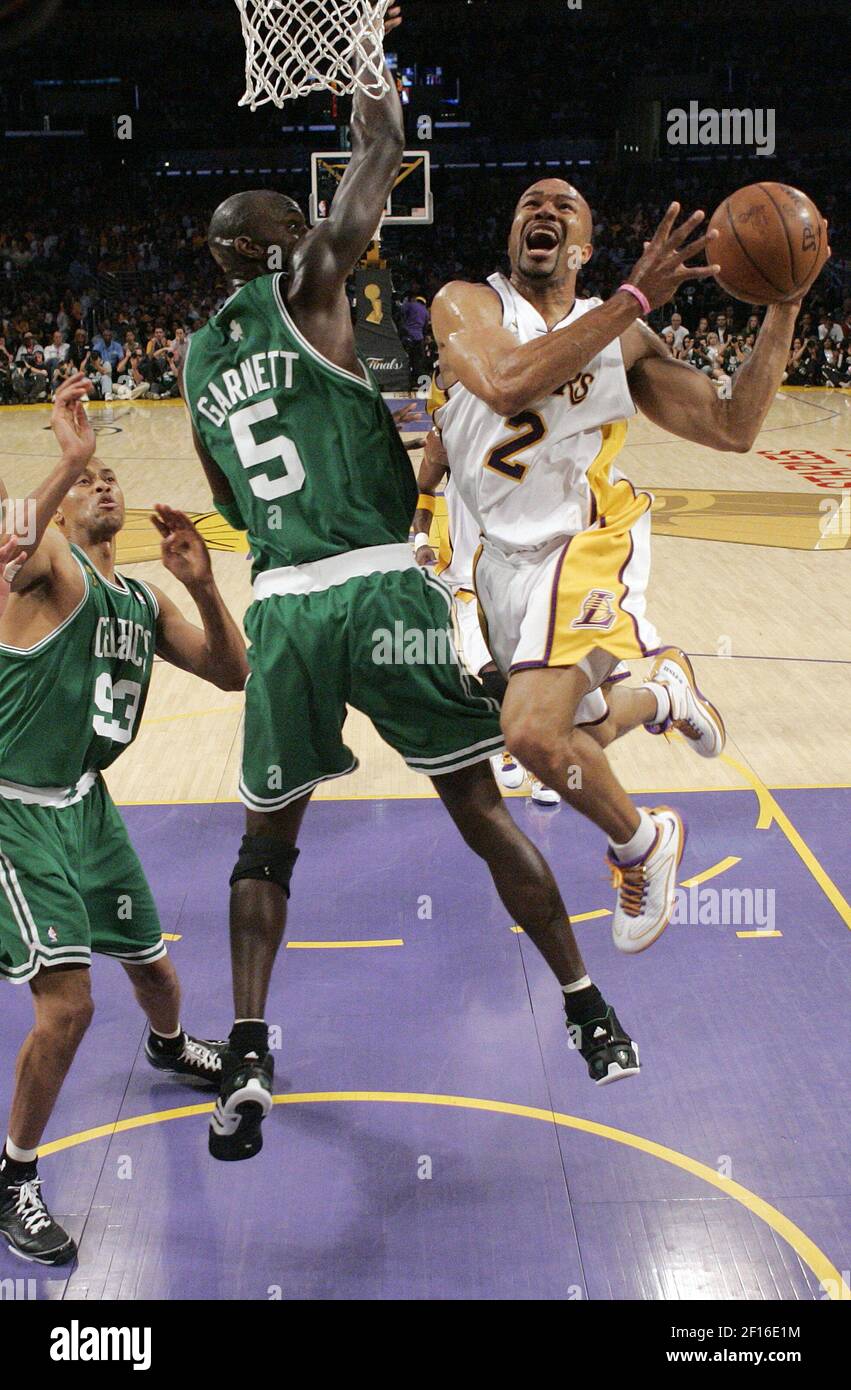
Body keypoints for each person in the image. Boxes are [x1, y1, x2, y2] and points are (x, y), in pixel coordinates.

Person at [183, 6, 646, 1166]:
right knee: (479, 808)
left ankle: (245, 1047)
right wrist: (361, 54)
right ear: (287, 237)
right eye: (306, 217)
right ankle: (585, 1003)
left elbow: (230, 502)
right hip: (380, 596)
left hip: (285, 602)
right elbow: (380, 145)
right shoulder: (316, 275)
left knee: (263, 846)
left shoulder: (194, 358)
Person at [431, 178, 829, 956]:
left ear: (583, 246)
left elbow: (732, 426)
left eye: (562, 206)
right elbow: (506, 381)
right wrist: (630, 302)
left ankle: (641, 842)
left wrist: (784, 304)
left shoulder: (622, 336)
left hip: (586, 545)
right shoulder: (465, 304)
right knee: (548, 748)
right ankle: (659, 692)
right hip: (497, 565)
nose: (541, 212)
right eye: (527, 204)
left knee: (530, 735)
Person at [0, 374, 249, 1264]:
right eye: (89, 479)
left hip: (86, 805)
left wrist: (208, 586)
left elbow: (234, 674)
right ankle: (15, 1175)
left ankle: (174, 1050)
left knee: (153, 970)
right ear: (66, 512)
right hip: (13, 809)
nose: (105, 484)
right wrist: (63, 460)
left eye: (109, 475)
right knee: (66, 1008)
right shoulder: (46, 567)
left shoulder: (141, 602)